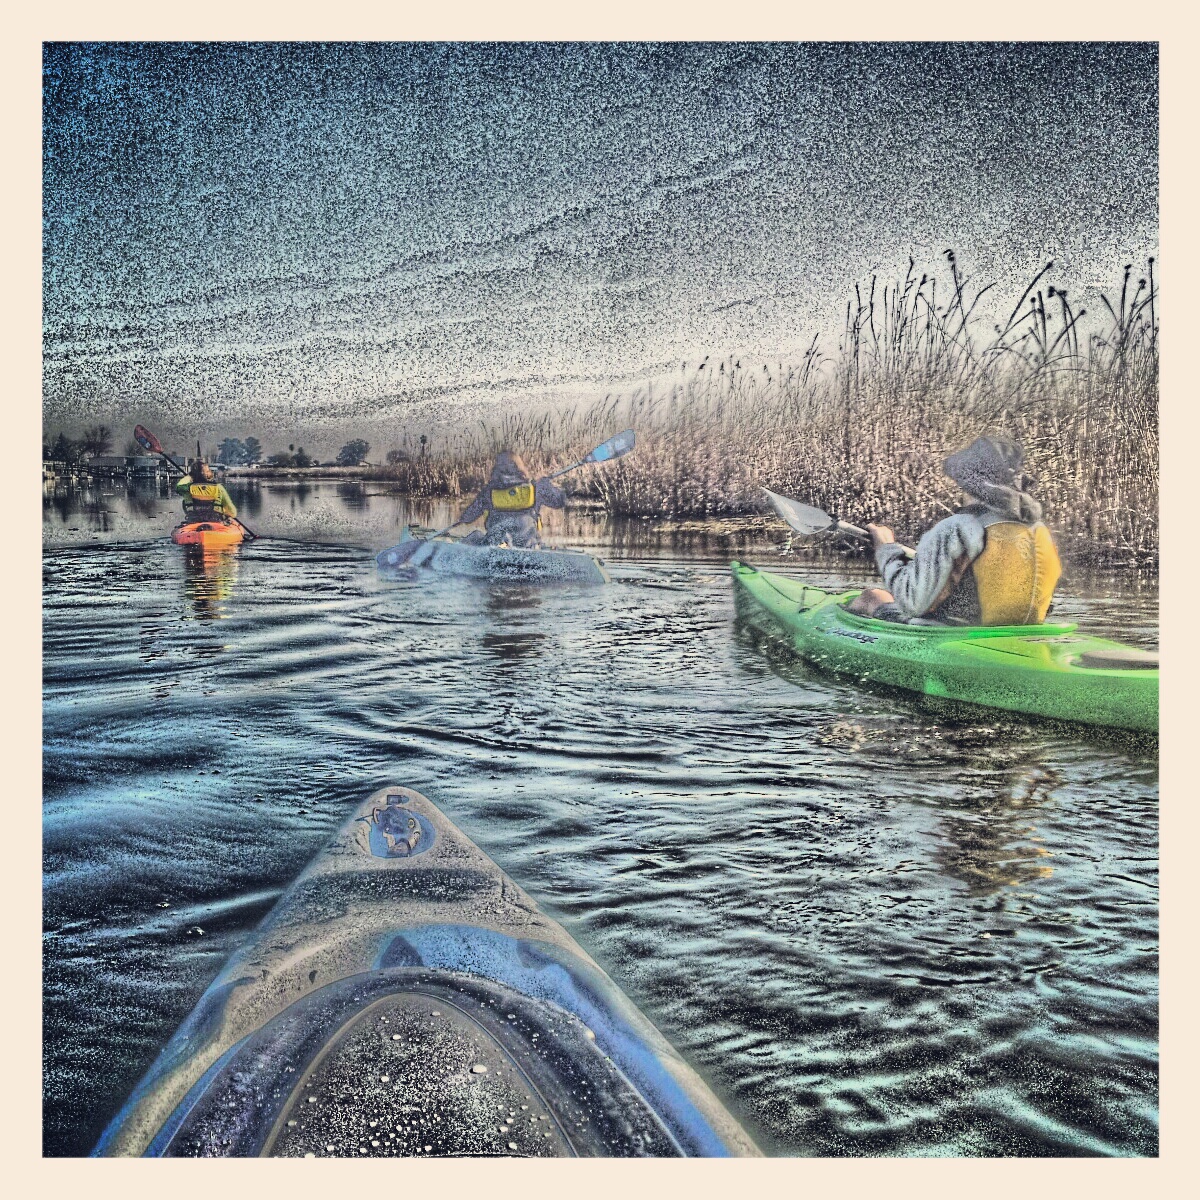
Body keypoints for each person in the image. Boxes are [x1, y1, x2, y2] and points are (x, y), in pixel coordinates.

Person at [847, 434, 1061, 626]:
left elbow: (911, 602)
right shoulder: (1038, 530)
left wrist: (886, 548)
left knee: (872, 597)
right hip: (1022, 637)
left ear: (968, 482)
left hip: (952, 639)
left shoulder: (958, 528)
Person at [457, 451, 565, 548]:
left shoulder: (488, 493)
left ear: (496, 470)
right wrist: (547, 485)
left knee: (476, 536)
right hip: (528, 546)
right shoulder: (535, 488)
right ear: (520, 468)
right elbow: (559, 502)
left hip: (497, 547)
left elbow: (467, 518)